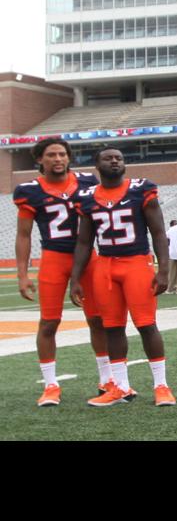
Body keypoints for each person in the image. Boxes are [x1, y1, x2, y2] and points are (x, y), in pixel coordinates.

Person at [70, 148, 175, 407]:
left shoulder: (141, 189)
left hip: (136, 263)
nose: (115, 161)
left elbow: (159, 232)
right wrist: (75, 278)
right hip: (105, 266)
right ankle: (121, 387)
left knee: (146, 324)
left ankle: (161, 386)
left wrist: (163, 269)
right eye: (108, 158)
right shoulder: (87, 197)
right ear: (97, 165)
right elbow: (84, 242)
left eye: (119, 157)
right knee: (112, 327)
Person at [14, 138, 106, 405]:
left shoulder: (89, 182)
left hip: (88, 257)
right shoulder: (29, 191)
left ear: (69, 158)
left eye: (62, 154)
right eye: (51, 155)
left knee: (98, 319)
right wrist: (22, 274)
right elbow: (23, 235)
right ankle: (51, 384)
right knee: (49, 322)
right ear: (40, 160)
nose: (58, 159)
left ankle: (107, 378)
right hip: (54, 256)